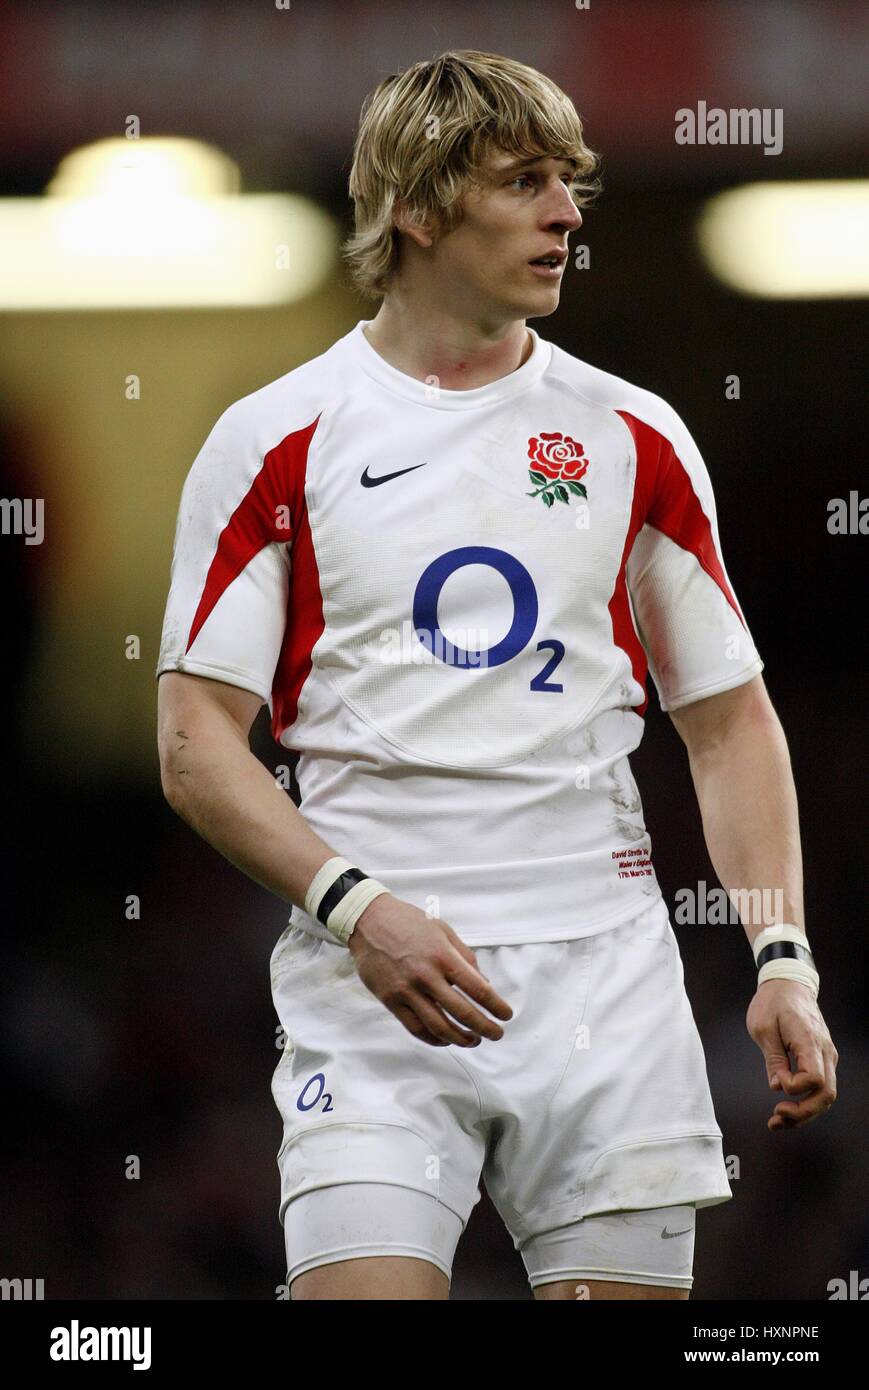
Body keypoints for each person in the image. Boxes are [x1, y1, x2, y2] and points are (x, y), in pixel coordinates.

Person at [156, 50, 838, 1301]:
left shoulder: (633, 435)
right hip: (372, 977)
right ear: (418, 209)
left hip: (604, 979)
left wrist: (779, 955)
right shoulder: (276, 439)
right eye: (524, 181)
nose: (567, 213)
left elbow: (729, 722)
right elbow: (195, 738)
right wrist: (359, 910)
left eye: (568, 182)